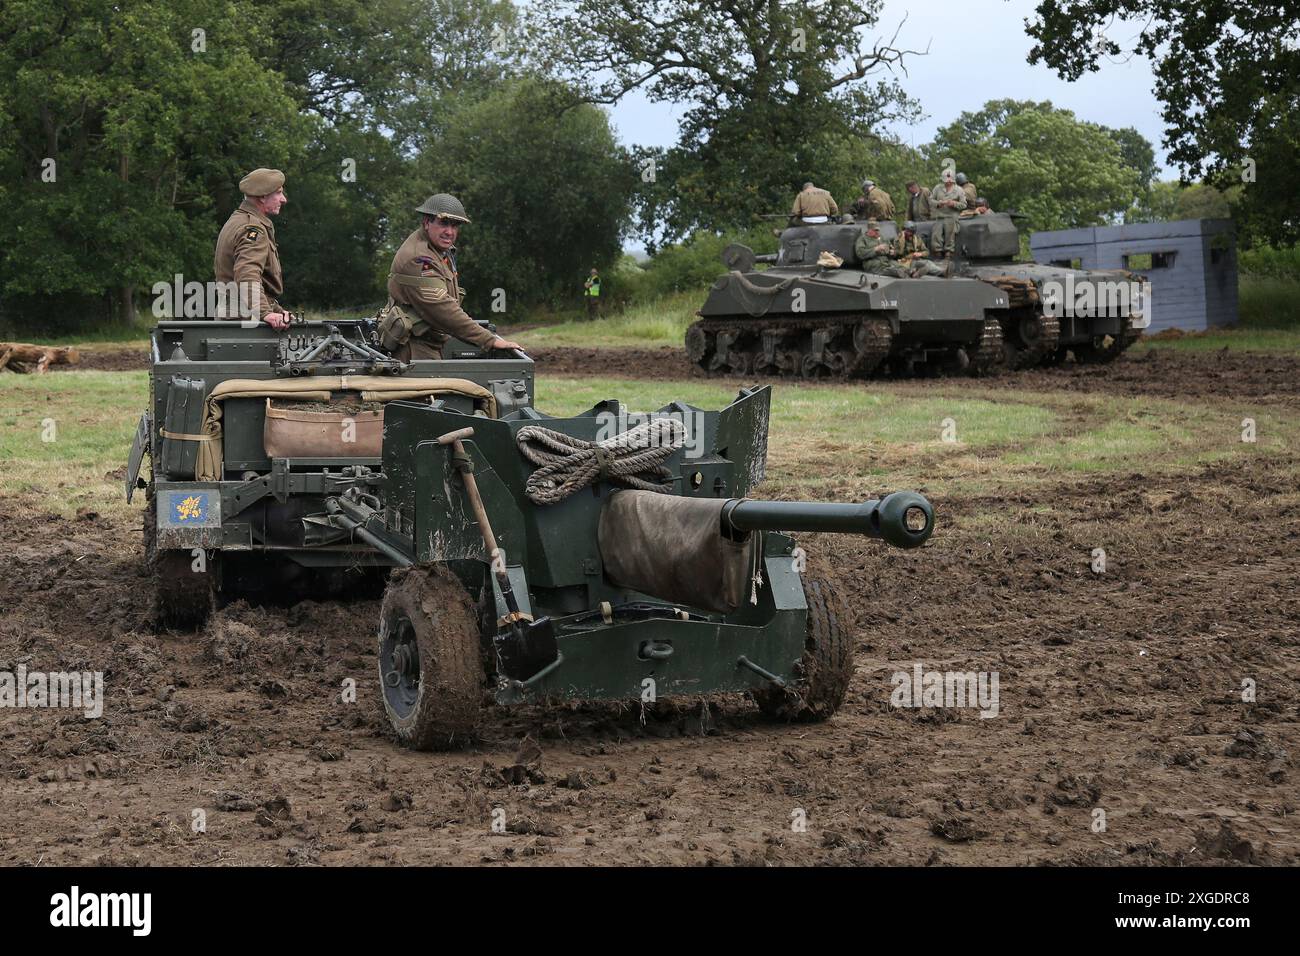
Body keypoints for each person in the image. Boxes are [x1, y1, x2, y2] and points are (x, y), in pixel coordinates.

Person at [380, 193, 522, 361]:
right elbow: (442, 309)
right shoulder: (419, 258)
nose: (450, 232)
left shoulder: (438, 250)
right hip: (415, 349)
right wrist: (488, 340)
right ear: (427, 222)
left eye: (455, 226)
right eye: (444, 223)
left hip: (427, 343)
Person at [213, 168, 291, 328]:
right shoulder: (253, 229)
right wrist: (265, 313)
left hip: (236, 318)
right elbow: (247, 275)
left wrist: (276, 309)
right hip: (245, 323)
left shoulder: (237, 221)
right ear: (263, 196)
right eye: (278, 193)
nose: (283, 199)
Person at [929, 170, 967, 260]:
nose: (948, 180)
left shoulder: (959, 190)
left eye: (950, 178)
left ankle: (948, 253)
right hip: (939, 216)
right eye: (946, 178)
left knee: (950, 235)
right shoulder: (937, 188)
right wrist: (939, 203)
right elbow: (930, 200)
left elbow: (964, 204)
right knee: (936, 235)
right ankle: (937, 253)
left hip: (952, 216)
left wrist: (954, 203)